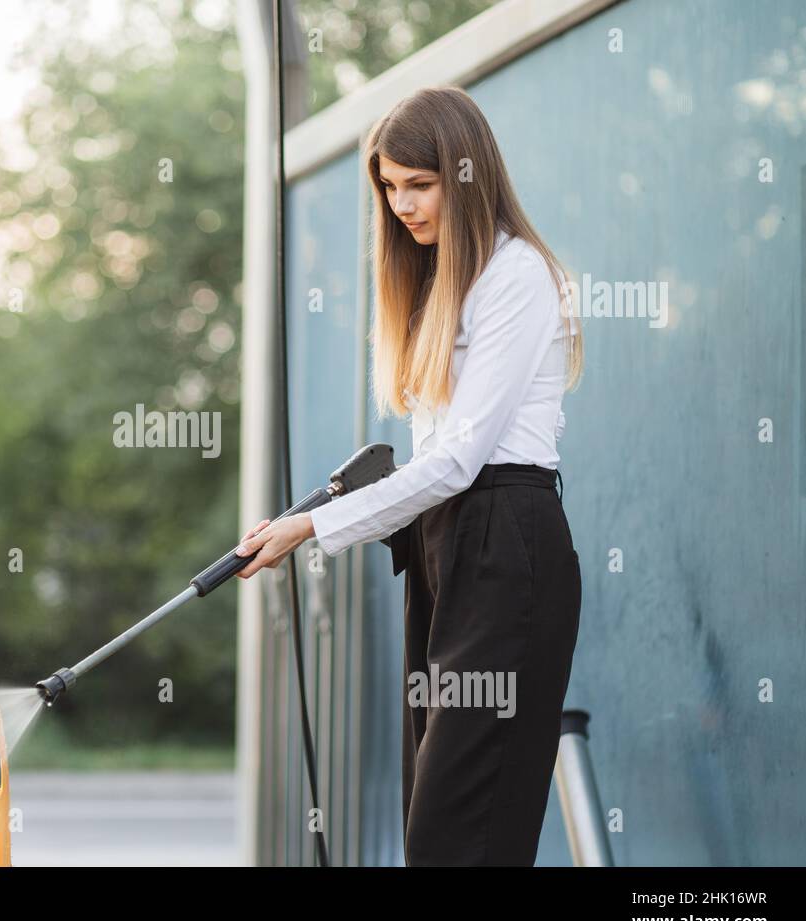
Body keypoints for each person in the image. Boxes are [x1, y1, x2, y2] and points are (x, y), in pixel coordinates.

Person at [233, 86, 584, 866]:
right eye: (389, 187)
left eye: (419, 184)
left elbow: (458, 463)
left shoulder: (518, 276)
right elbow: (437, 468)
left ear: (465, 175)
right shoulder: (438, 283)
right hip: (444, 545)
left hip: (504, 544)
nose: (401, 206)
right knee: (432, 818)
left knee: (457, 832)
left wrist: (311, 527)